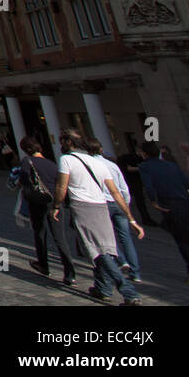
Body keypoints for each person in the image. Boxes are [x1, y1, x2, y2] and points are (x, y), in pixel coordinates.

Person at [51, 129, 143, 305]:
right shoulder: (100, 163)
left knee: (99, 252)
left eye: (62, 140)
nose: (61, 144)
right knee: (104, 249)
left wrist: (56, 206)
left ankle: (129, 292)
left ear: (69, 143)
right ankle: (102, 288)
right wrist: (130, 217)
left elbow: (61, 187)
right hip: (102, 207)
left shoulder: (67, 160)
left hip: (83, 207)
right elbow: (116, 192)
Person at [12, 136, 76, 285]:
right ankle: (69, 273)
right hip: (54, 201)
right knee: (60, 238)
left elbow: (22, 181)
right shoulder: (52, 164)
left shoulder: (27, 163)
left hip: (37, 202)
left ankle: (43, 265)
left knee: (40, 233)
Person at [138, 141, 189, 286]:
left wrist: (154, 202)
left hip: (170, 206)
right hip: (187, 204)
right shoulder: (170, 165)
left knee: (183, 242)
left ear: (145, 153)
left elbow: (149, 187)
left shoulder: (145, 167)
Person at [86, 138, 140, 284]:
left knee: (107, 236)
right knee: (126, 237)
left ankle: (121, 260)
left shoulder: (91, 165)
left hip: (104, 203)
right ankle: (135, 273)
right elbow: (123, 188)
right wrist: (126, 205)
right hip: (119, 202)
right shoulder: (112, 165)